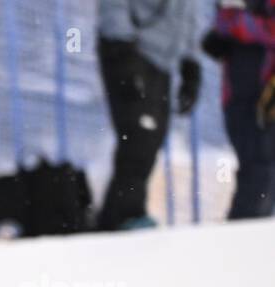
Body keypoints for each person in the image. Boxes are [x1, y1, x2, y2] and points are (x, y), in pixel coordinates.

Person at [96, 0, 203, 230]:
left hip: (162, 60)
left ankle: (115, 220)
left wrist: (190, 64)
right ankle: (124, 217)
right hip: (129, 49)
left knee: (153, 139)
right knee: (138, 137)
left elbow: (188, 14)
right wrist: (121, 46)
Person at [203, 0, 275, 218]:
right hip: (244, 96)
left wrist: (238, 26)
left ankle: (247, 238)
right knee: (258, 169)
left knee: (265, 171)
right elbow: (226, 21)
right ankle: (242, 238)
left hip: (263, 91)